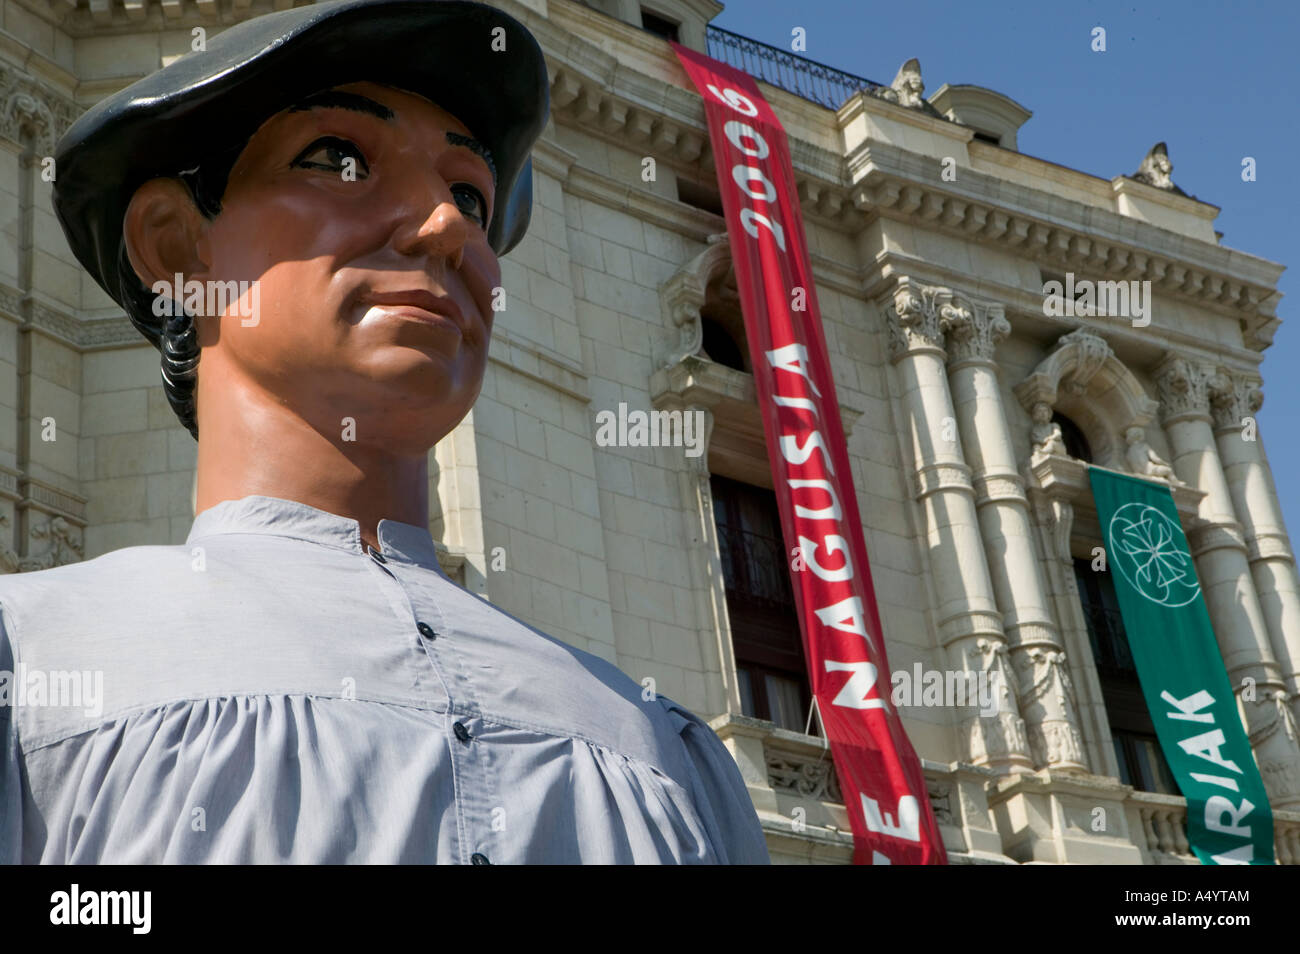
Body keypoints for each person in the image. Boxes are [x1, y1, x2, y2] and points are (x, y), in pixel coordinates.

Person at [0, 0, 769, 864]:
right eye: (341, 158)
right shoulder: (27, 664)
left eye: (470, 197)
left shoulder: (667, 756)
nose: (447, 228)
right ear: (177, 245)